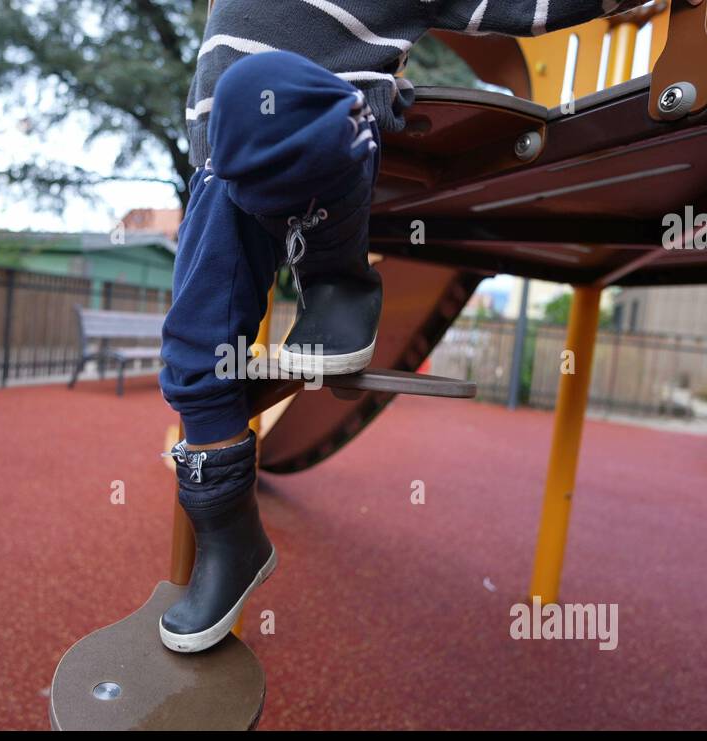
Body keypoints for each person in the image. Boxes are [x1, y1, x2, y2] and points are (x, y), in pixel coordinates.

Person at [157, 0, 648, 653]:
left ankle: (337, 279)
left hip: (326, 138)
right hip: (223, 171)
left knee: (258, 86)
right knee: (191, 356)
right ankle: (232, 540)